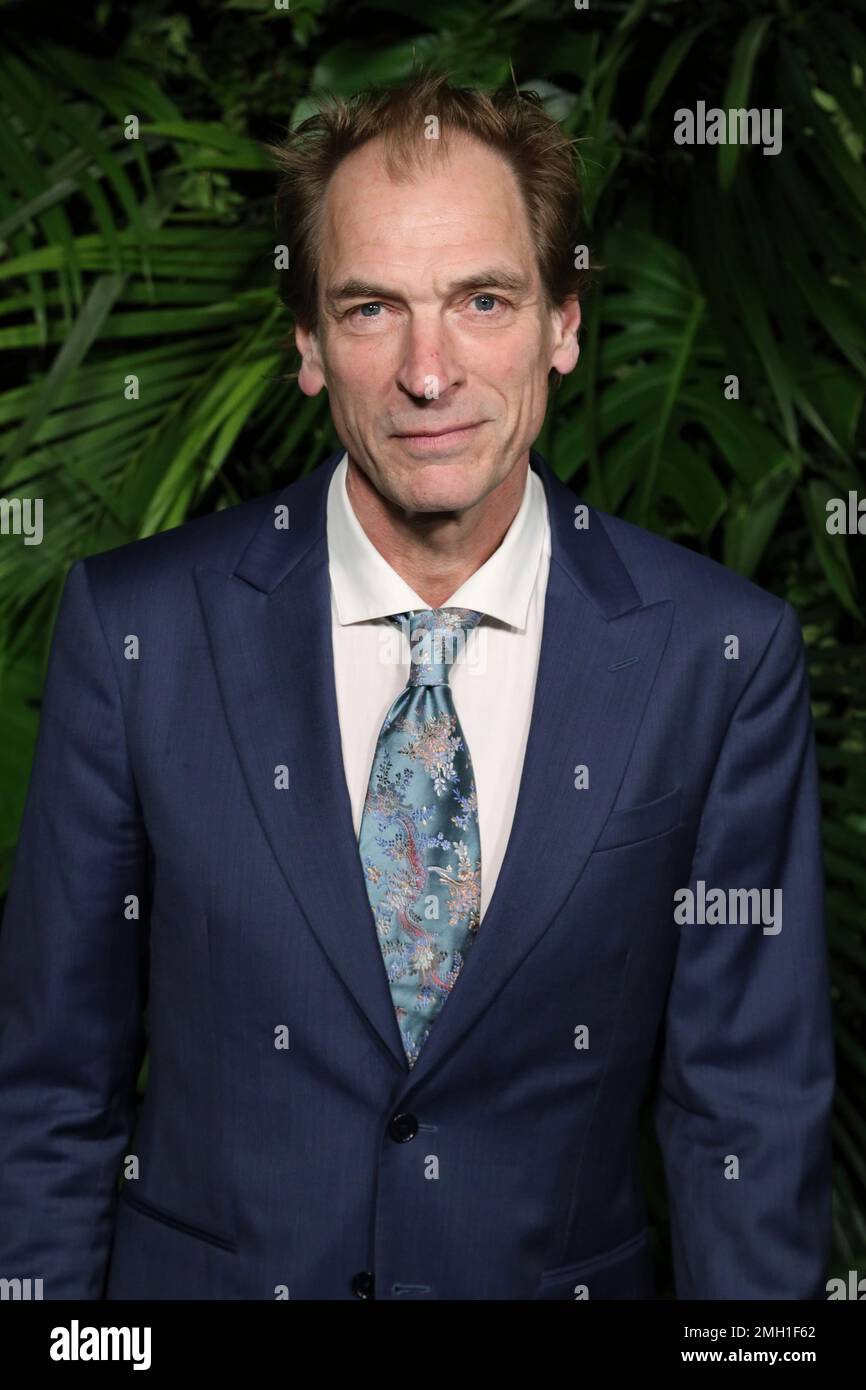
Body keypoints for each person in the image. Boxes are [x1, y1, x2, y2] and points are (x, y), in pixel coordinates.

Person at [0, 71, 834, 1300]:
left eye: (481, 300)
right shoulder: (138, 634)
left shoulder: (716, 660)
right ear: (306, 344)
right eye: (372, 308)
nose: (427, 372)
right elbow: (49, 1093)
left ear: (563, 321)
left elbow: (744, 1132)